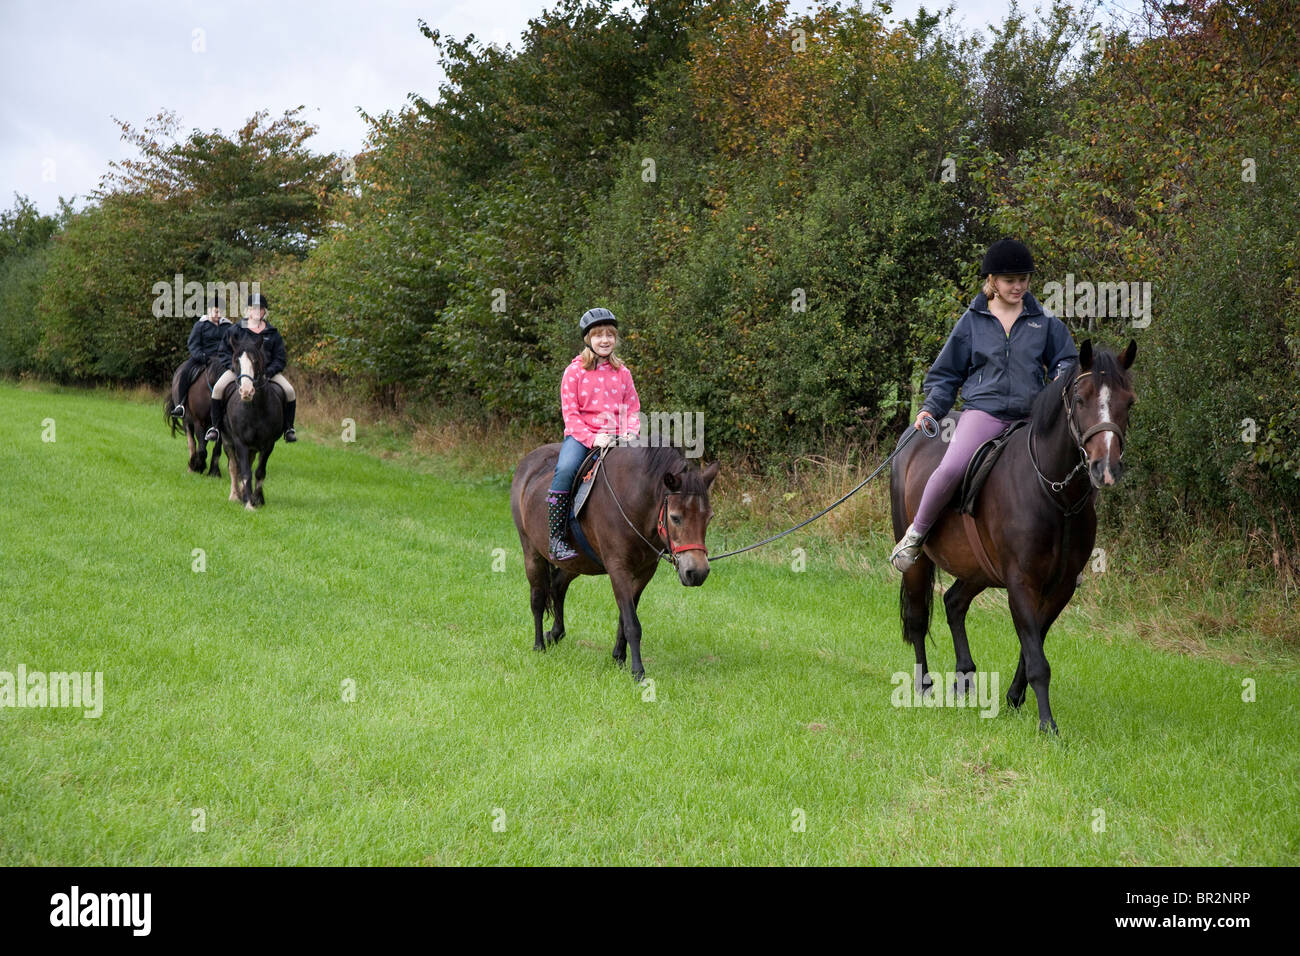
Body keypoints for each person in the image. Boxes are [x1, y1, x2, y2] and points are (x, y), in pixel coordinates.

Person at [890, 238, 1079, 572]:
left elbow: (1067, 361)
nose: (1018, 286)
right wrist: (930, 408)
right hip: (984, 414)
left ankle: (1068, 558)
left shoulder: (1044, 321)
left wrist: (1059, 383)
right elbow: (947, 373)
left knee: (1070, 472)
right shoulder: (973, 321)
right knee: (949, 469)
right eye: (1010, 280)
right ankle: (915, 534)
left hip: (1031, 418)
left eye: (1024, 279)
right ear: (992, 281)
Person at [547, 308, 641, 561]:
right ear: (588, 339)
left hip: (618, 438)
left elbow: (632, 408)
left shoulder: (623, 373)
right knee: (566, 469)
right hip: (582, 437)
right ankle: (556, 537)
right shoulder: (574, 371)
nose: (605, 340)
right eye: (599, 335)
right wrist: (591, 439)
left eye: (610, 335)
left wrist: (631, 432)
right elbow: (571, 413)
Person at [204, 293, 298, 443]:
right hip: (240, 372)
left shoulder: (272, 333)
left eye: (260, 309)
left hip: (266, 373)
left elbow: (280, 358)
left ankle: (288, 428)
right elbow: (223, 352)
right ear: (247, 311)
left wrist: (269, 372)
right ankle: (215, 428)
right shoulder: (236, 330)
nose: (257, 312)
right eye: (253, 309)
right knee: (218, 389)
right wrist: (234, 368)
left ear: (264, 312)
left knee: (290, 391)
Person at [169, 294, 232, 419]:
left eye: (221, 312)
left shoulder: (228, 326)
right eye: (216, 311)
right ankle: (181, 404)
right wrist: (202, 357)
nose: (218, 314)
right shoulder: (200, 325)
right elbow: (193, 345)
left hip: (222, 361)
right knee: (185, 372)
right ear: (209, 310)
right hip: (203, 358)